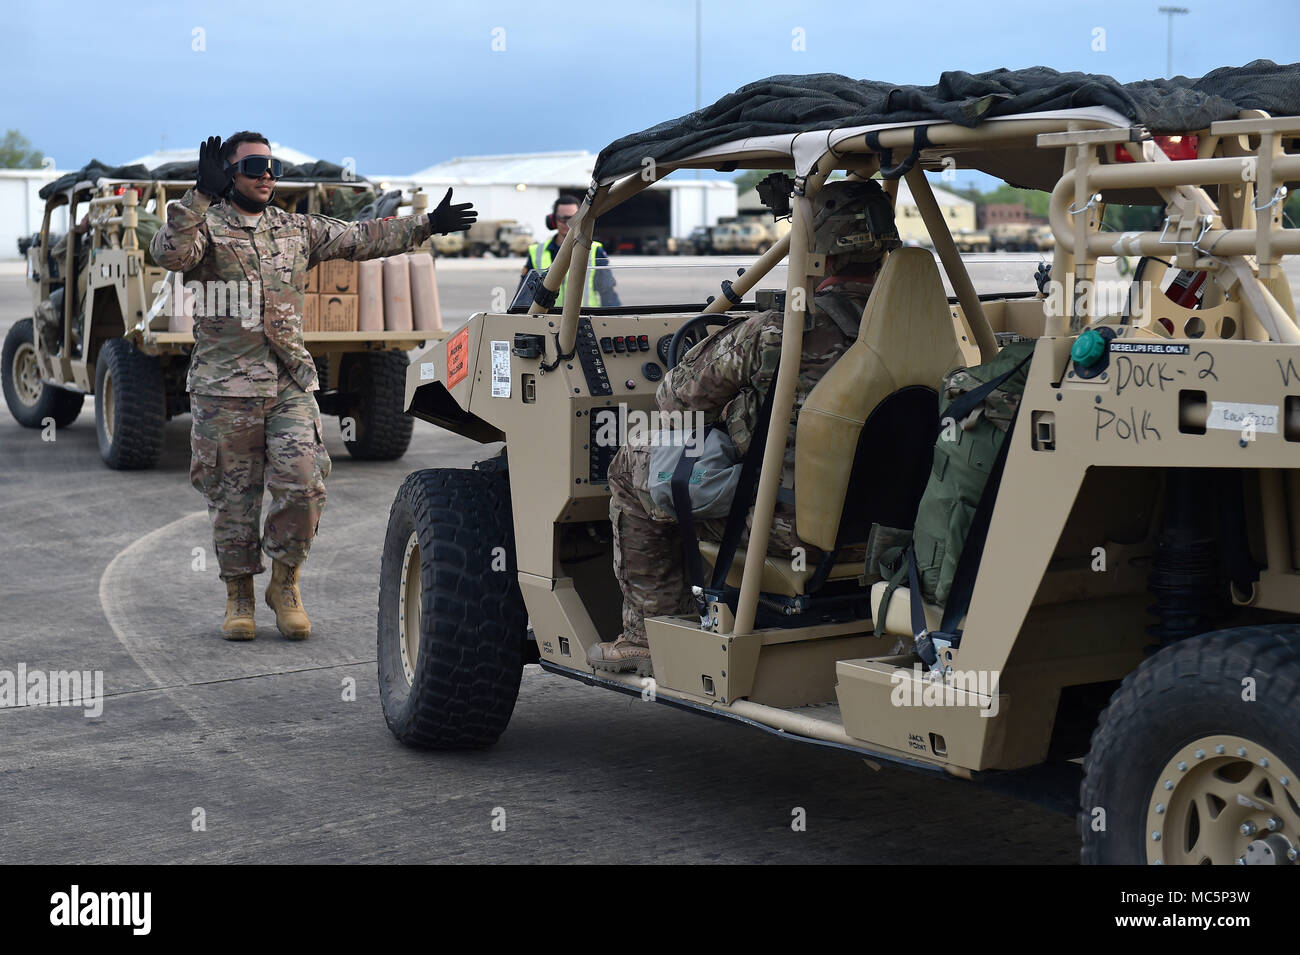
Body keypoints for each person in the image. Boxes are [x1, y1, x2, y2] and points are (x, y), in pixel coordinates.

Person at [151, 132, 476, 641]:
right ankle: (239, 594)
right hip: (224, 388)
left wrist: (428, 224)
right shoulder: (207, 227)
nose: (266, 174)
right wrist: (197, 194)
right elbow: (169, 255)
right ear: (228, 173)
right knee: (232, 498)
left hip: (288, 382)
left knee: (304, 482)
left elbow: (362, 238)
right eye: (254, 165)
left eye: (271, 165)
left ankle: (285, 583)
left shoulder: (294, 228)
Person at [587, 179, 900, 674]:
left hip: (792, 532)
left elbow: (676, 396)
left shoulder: (780, 331)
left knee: (630, 467)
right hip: (896, 529)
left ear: (821, 250)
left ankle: (646, 634)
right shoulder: (918, 327)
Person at [518, 194, 620, 306]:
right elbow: (523, 296)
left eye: (574, 217)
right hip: (547, 321)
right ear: (553, 221)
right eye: (563, 219)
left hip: (585, 319)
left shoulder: (595, 250)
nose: (568, 223)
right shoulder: (536, 251)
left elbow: (608, 294)